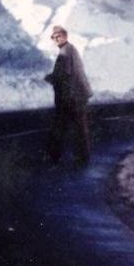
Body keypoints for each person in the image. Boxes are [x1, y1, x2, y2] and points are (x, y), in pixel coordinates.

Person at [44, 25, 92, 165]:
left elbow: (64, 74)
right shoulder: (70, 49)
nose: (55, 39)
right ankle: (82, 156)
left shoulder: (65, 52)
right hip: (77, 95)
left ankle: (55, 156)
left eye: (58, 36)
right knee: (78, 127)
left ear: (65, 36)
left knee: (62, 126)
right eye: (53, 37)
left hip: (72, 96)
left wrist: (50, 78)